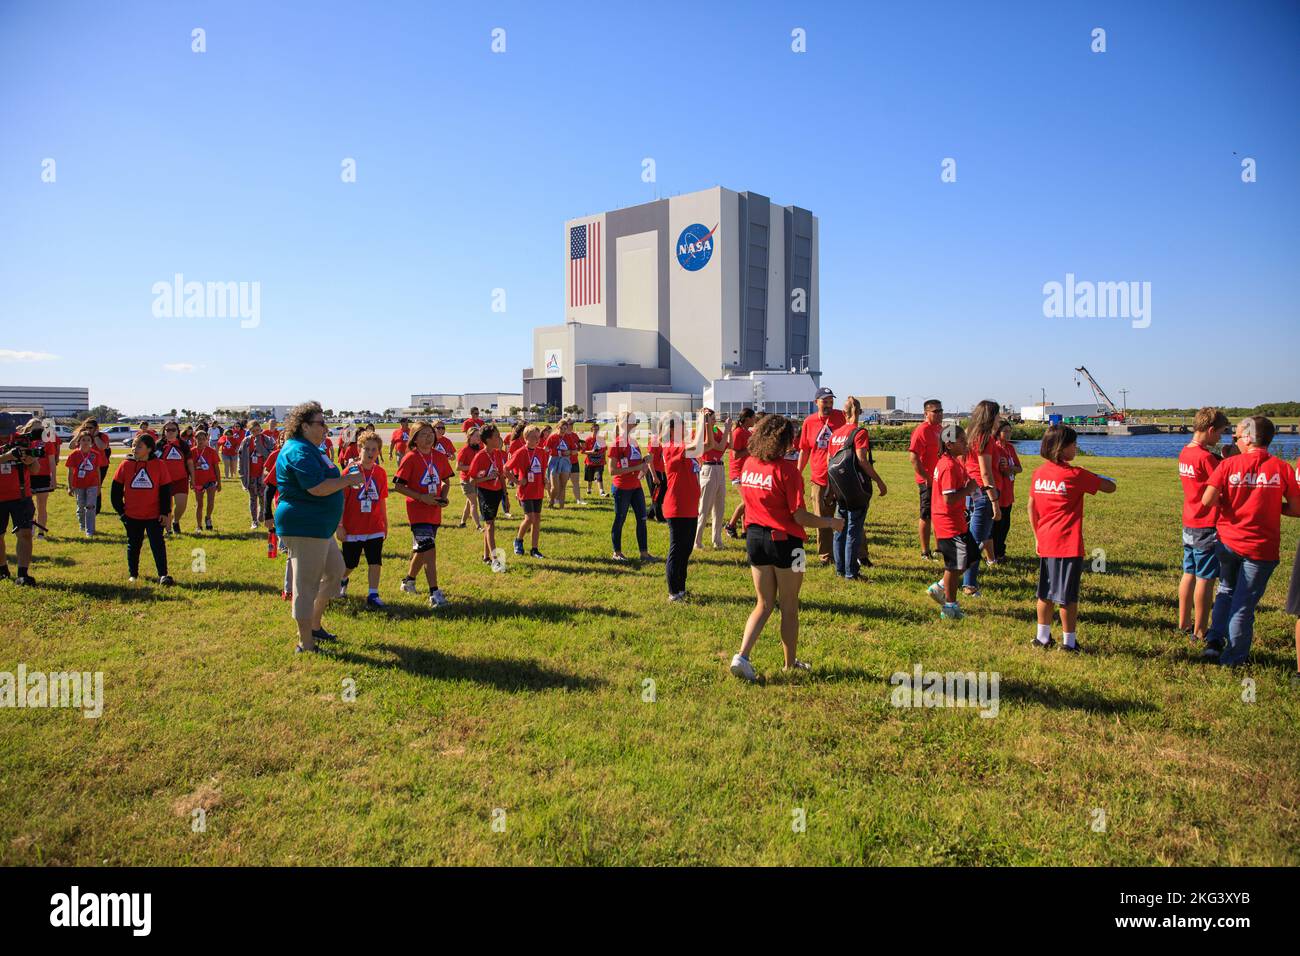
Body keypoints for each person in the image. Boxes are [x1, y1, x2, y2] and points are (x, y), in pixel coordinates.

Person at [730, 414, 844, 681]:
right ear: (784, 440)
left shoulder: (748, 464)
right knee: (790, 605)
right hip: (787, 543)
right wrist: (830, 522)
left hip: (755, 539)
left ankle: (742, 656)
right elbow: (799, 516)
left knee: (763, 603)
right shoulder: (787, 470)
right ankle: (789, 664)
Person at [1200, 416, 1300, 665]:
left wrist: (1231, 502)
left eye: (1238, 435)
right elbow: (1297, 508)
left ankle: (1214, 642)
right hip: (1261, 548)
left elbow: (1207, 500)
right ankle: (1234, 658)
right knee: (1243, 604)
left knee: (1225, 589)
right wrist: (1271, 505)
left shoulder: (1228, 465)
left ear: (1248, 437)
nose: (1235, 439)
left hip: (1228, 541)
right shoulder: (1282, 468)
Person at [274, 401, 364, 653]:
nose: (325, 427)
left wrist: (346, 474)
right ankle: (305, 642)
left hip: (320, 528)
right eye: (320, 423)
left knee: (336, 571)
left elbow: (327, 479)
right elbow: (317, 487)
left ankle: (313, 624)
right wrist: (348, 480)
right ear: (304, 426)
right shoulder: (299, 451)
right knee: (306, 585)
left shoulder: (313, 448)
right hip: (305, 526)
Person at [1028, 425, 1117, 652]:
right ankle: (1069, 642)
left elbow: (1031, 505)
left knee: (1044, 593)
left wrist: (1037, 535)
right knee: (1067, 597)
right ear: (1062, 447)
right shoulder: (1075, 475)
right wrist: (1092, 474)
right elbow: (1110, 487)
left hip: (1046, 540)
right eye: (1073, 444)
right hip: (1067, 544)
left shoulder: (1039, 473)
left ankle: (1043, 637)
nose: (1076, 447)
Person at [1177, 407, 1231, 643]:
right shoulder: (1207, 458)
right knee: (1205, 578)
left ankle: (1183, 623)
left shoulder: (1185, 453)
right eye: (1220, 432)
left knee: (1188, 573)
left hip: (1189, 521)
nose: (1221, 437)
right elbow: (1222, 484)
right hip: (1207, 524)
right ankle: (1200, 630)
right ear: (1210, 430)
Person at [393, 421, 454, 607]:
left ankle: (408, 581)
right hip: (418, 511)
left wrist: (443, 497)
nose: (428, 437)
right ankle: (435, 593)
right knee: (430, 551)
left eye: (430, 434)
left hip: (434, 511)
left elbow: (446, 481)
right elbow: (398, 486)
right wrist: (421, 497)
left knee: (422, 549)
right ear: (414, 438)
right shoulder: (410, 458)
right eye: (423, 434)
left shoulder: (439, 456)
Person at [924, 425, 980, 619]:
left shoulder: (953, 462)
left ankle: (940, 587)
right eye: (962, 441)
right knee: (954, 566)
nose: (966, 444)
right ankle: (949, 607)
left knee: (971, 557)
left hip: (957, 521)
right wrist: (970, 489)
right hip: (948, 523)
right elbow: (949, 499)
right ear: (949, 444)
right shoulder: (947, 466)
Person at [828, 397, 887, 580]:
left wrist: (830, 490)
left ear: (843, 413)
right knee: (854, 529)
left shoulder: (835, 434)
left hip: (839, 488)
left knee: (840, 529)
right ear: (859, 412)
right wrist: (878, 480)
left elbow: (828, 462)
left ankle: (840, 569)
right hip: (855, 489)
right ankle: (851, 572)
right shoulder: (859, 432)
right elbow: (862, 460)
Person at [110, 433, 175, 585]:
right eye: (133, 445)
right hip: (132, 515)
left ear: (150, 449)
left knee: (157, 544)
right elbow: (115, 493)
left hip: (154, 515)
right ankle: (133, 574)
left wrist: (165, 513)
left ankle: (163, 575)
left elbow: (166, 491)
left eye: (139, 446)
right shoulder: (125, 465)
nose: (135, 448)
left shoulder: (159, 465)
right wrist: (122, 513)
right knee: (134, 544)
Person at [337, 430, 388, 608]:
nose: (370, 453)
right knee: (351, 562)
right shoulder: (350, 471)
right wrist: (340, 525)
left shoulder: (380, 473)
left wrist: (385, 524)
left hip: (374, 525)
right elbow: (341, 500)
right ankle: (341, 579)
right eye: (366, 448)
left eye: (374, 449)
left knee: (375, 561)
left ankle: (373, 594)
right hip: (353, 527)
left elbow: (381, 500)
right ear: (359, 449)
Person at [797, 387, 847, 565]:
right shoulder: (809, 422)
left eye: (831, 401)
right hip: (819, 478)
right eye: (825, 401)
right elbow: (804, 450)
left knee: (849, 516)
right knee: (822, 519)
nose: (828, 405)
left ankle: (859, 555)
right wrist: (798, 472)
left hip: (842, 477)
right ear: (816, 402)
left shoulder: (842, 417)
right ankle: (826, 556)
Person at [663, 411, 709, 601]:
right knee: (677, 549)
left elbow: (703, 446)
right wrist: (699, 421)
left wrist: (705, 424)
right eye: (682, 425)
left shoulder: (682, 446)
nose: (685, 428)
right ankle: (673, 592)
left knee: (686, 549)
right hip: (677, 505)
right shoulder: (671, 446)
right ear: (672, 429)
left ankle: (681, 588)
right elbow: (698, 449)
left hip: (689, 506)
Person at [959, 400, 1004, 598]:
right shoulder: (985, 439)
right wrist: (994, 501)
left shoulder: (970, 436)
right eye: (998, 415)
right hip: (983, 494)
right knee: (976, 541)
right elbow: (985, 473)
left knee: (978, 537)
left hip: (972, 493)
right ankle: (966, 585)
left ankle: (962, 581)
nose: (1000, 419)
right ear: (990, 417)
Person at [608, 411, 657, 563]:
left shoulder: (634, 442)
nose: (635, 425)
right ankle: (617, 552)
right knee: (620, 519)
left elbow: (637, 465)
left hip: (636, 486)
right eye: (633, 422)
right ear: (624, 423)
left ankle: (644, 553)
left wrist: (646, 461)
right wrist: (636, 468)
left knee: (642, 519)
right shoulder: (616, 444)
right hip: (622, 487)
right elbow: (612, 470)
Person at [0, 417, 41, 585]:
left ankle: (23, 573)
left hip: (21, 496)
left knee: (24, 533)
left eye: (6, 434)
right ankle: (2, 568)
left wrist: (30, 461)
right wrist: (7, 456)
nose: (4, 437)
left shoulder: (23, 440)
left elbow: (36, 470)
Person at [467, 424, 509, 567]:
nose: (499, 438)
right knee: (490, 525)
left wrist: (506, 496)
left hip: (497, 492)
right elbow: (472, 480)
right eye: (496, 436)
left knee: (489, 523)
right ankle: (495, 559)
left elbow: (502, 475)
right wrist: (487, 478)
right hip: (485, 493)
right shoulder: (479, 456)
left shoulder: (497, 453)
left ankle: (485, 556)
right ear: (488, 439)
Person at [908, 399, 944, 560]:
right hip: (928, 481)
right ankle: (925, 551)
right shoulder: (922, 431)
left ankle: (939, 548)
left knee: (939, 514)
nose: (939, 414)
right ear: (926, 413)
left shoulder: (940, 429)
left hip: (940, 480)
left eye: (940, 410)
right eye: (935, 411)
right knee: (926, 515)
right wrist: (925, 477)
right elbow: (913, 458)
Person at [507, 425, 549, 557]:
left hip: (538, 490)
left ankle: (534, 549)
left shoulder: (541, 452)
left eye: (538, 437)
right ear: (526, 438)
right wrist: (517, 482)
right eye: (533, 437)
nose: (537, 439)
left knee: (536, 519)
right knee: (529, 518)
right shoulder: (520, 452)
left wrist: (545, 480)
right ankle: (518, 540)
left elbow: (542, 469)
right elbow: (505, 469)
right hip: (525, 491)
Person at [693, 409, 732, 550]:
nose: (715, 420)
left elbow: (729, 445)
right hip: (708, 468)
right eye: (712, 418)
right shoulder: (701, 432)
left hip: (719, 468)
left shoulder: (715, 430)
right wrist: (727, 429)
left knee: (719, 508)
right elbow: (720, 446)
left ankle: (717, 540)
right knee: (704, 508)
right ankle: (697, 541)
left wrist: (729, 431)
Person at [153, 420, 194, 537]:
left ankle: (176, 521)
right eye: (168, 430)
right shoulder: (159, 445)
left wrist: (193, 479)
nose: (170, 432)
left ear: (178, 431)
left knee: (181, 505)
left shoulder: (183, 445)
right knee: (167, 506)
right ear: (164, 431)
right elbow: (153, 462)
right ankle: (168, 528)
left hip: (181, 479)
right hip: (163, 481)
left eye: (173, 430)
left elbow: (190, 463)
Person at [991, 422, 1023, 562]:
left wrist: (1011, 468)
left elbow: (1019, 468)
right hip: (999, 491)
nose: (1009, 434)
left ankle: (1000, 551)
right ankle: (994, 553)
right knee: (997, 525)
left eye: (1010, 431)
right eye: (1005, 431)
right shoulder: (995, 448)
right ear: (998, 433)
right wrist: (1005, 468)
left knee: (1005, 525)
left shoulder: (1010, 447)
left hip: (1009, 491)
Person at [66, 429, 107, 537]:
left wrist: (99, 486)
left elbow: (98, 471)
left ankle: (90, 529)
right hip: (78, 485)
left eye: (88, 440)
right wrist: (70, 487)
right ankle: (82, 525)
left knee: (90, 506)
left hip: (92, 484)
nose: (85, 442)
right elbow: (70, 472)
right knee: (81, 506)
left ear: (91, 442)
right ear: (79, 441)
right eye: (83, 440)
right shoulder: (74, 455)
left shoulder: (95, 455)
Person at [724, 408, 756, 539]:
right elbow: (735, 454)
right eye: (753, 417)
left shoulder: (746, 432)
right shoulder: (737, 432)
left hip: (747, 472)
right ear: (747, 418)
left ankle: (745, 531)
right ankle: (730, 525)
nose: (755, 420)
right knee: (748, 501)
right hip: (738, 472)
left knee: (747, 501)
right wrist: (751, 449)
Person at [239, 422, 276, 531]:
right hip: (251, 475)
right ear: (249, 431)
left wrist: (260, 446)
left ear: (261, 429)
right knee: (252, 498)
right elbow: (240, 458)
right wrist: (241, 472)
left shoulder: (268, 440)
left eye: (257, 430)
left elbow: (271, 456)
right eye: (253, 431)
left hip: (263, 475)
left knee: (263, 497)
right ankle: (254, 520)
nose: (256, 433)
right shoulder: (246, 441)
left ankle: (262, 513)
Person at [31, 418, 59, 540]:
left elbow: (52, 461)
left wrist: (54, 478)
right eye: (34, 427)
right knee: (28, 506)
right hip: (29, 476)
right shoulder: (25, 441)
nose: (37, 430)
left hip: (43, 476)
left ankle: (41, 532)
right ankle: (30, 527)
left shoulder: (47, 441)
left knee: (41, 505)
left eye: (39, 428)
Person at [190, 427, 221, 531]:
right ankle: (198, 526)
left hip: (210, 480)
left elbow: (216, 467)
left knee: (210, 502)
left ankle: (208, 518)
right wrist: (191, 480)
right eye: (199, 439)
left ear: (207, 439)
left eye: (203, 439)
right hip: (198, 481)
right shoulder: (192, 452)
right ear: (195, 439)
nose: (201, 441)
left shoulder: (211, 451)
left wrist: (219, 482)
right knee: (199, 504)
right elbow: (189, 469)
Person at [456, 426, 484, 530]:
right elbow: (458, 467)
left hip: (476, 480)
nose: (479, 438)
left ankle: (462, 523)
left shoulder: (480, 448)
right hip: (466, 480)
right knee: (473, 503)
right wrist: (472, 467)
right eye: (476, 436)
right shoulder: (464, 450)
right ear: (469, 436)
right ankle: (478, 526)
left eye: (479, 436)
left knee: (469, 503)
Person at [545, 419, 577, 508]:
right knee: (555, 487)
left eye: (565, 428)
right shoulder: (552, 437)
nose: (563, 430)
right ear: (557, 428)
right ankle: (551, 502)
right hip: (554, 461)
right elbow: (546, 449)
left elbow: (575, 451)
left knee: (563, 485)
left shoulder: (569, 437)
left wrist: (569, 452)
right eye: (561, 428)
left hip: (565, 461)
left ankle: (561, 506)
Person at [646, 425, 667, 522]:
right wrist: (654, 476)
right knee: (657, 495)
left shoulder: (664, 440)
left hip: (661, 471)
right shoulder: (654, 440)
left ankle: (650, 514)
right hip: (653, 471)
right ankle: (660, 517)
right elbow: (649, 460)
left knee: (663, 493)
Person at [583, 423, 606, 497]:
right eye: (594, 429)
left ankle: (602, 492)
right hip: (589, 462)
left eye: (597, 429)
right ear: (591, 430)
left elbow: (604, 450)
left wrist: (602, 458)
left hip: (599, 463)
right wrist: (591, 452)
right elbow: (583, 451)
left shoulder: (601, 439)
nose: (596, 431)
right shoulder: (587, 440)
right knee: (590, 478)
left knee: (599, 476)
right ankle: (589, 490)